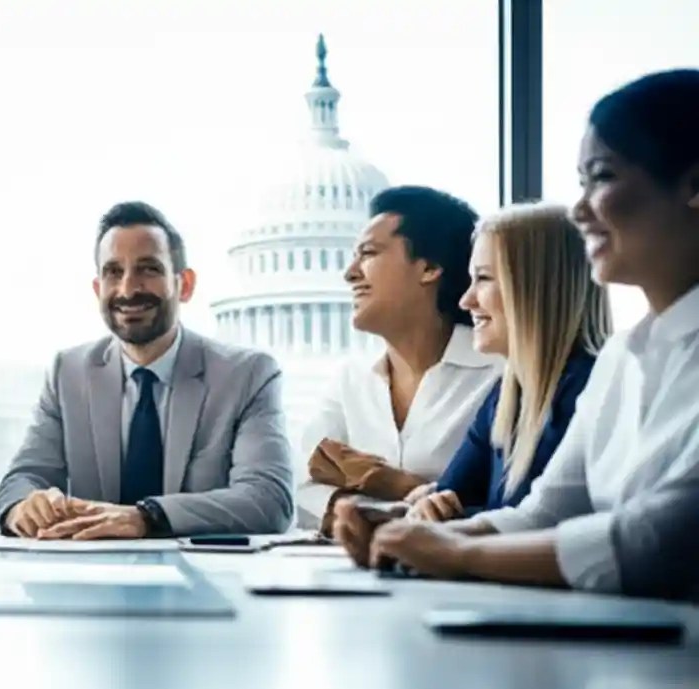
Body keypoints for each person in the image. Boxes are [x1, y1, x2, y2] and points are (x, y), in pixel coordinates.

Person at [335, 69, 699, 601]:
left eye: (602, 177)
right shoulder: (624, 356)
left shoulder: (595, 370)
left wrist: (455, 551)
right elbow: (546, 512)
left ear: (693, 187)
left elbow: (657, 542)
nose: (580, 210)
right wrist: (403, 534)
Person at [0, 201, 295, 539]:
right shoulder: (68, 372)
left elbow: (268, 501)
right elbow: (21, 479)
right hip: (90, 578)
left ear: (184, 285)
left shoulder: (248, 375)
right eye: (113, 272)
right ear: (98, 289)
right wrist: (24, 506)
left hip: (204, 582)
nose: (127, 289)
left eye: (148, 269)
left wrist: (147, 518)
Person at [297, 186, 500, 532]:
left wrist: (388, 483)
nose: (350, 273)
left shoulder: (500, 373)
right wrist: (388, 507)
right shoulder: (350, 380)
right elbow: (305, 489)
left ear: (430, 268)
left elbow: (505, 506)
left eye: (368, 254)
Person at [406, 204, 610, 521]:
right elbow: (447, 499)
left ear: (536, 287)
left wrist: (441, 517)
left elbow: (536, 527)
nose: (466, 300)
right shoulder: (506, 395)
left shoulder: (591, 390)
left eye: (484, 279)